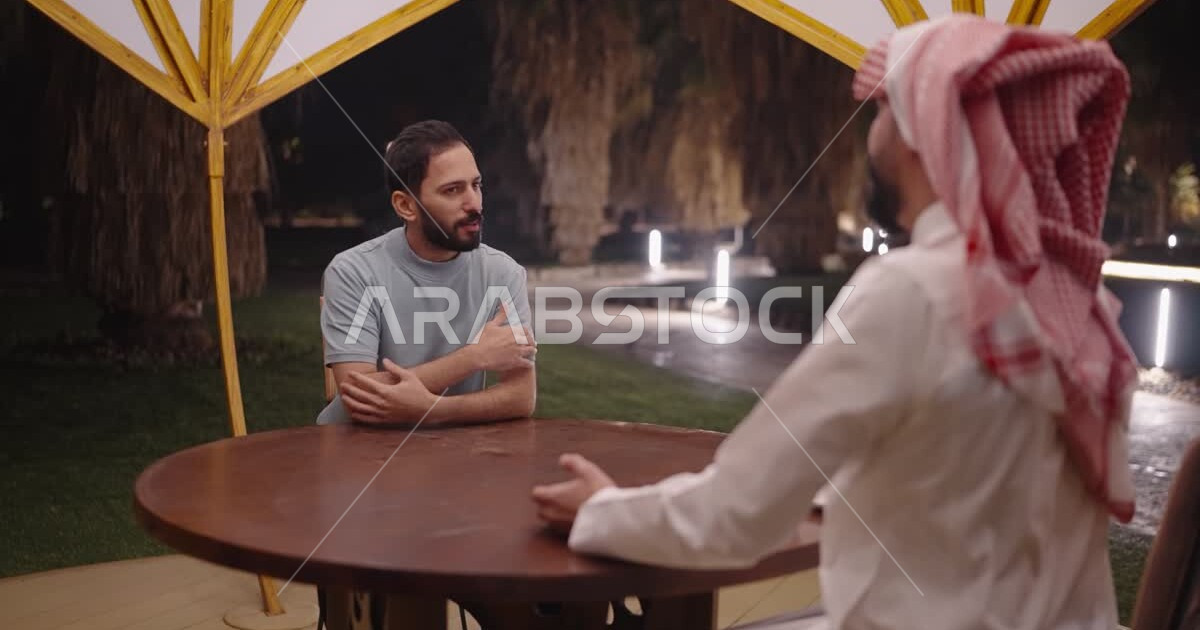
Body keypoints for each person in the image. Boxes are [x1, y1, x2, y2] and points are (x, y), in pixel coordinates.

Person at [532, 15, 1138, 629]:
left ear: (921, 129)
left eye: (881, 110)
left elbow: (733, 518)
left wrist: (600, 510)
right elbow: (970, 482)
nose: (870, 131)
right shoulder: (1074, 302)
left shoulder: (914, 292)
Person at [318, 119, 536, 427]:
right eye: (452, 190)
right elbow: (358, 394)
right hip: (356, 453)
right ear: (406, 205)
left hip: (452, 454)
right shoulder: (354, 271)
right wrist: (473, 358)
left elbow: (521, 397)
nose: (473, 204)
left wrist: (431, 410)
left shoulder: (503, 273)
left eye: (476, 185)